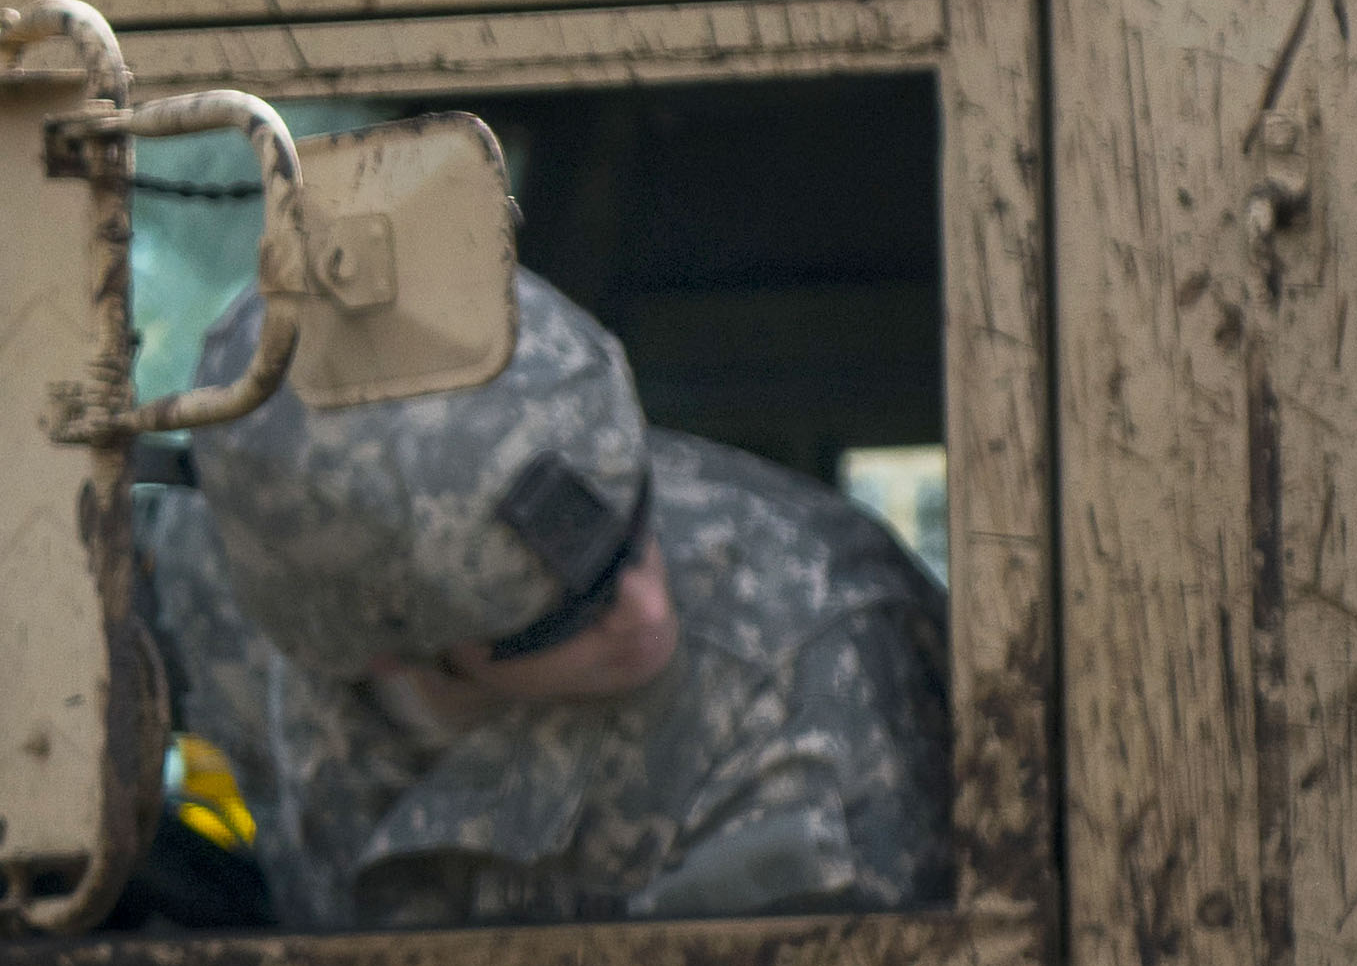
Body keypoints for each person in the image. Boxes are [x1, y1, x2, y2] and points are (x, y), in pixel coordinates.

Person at [139, 264, 951, 930]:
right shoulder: (240, 569)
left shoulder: (807, 696)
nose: (643, 606)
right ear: (383, 651)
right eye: (564, 616)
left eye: (637, 526)